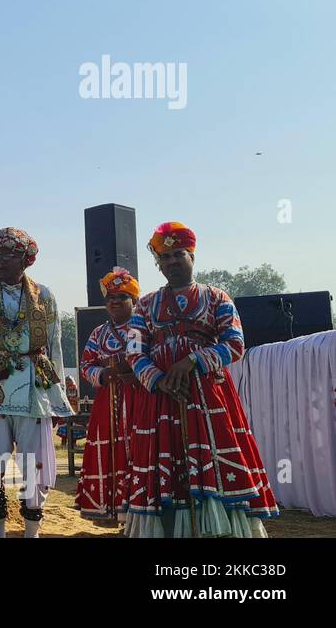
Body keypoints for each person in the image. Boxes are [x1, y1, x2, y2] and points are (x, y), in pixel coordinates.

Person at [123, 222, 278, 537]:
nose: (171, 262)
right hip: (161, 401)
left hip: (208, 400)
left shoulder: (217, 297)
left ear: (192, 255)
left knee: (214, 464)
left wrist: (191, 361)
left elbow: (234, 345)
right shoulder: (145, 303)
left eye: (178, 254)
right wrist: (158, 378)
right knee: (164, 467)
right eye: (164, 258)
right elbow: (134, 351)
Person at [0, 227, 73, 538]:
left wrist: (58, 397)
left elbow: (54, 348)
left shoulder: (46, 296)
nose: (1, 260)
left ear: (25, 259)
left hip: (33, 388)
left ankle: (31, 532)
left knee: (35, 465)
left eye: (9, 254)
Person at [74, 267, 140, 523]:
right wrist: (104, 374)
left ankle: (138, 514)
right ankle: (115, 513)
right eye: (110, 298)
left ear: (133, 300)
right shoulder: (98, 333)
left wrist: (136, 371)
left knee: (137, 452)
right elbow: (85, 366)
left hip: (140, 401)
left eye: (122, 297)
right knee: (111, 455)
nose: (115, 302)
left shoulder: (143, 327)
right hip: (107, 403)